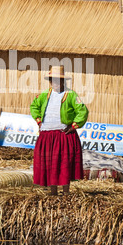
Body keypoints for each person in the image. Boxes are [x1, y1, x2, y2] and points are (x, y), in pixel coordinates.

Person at [30, 65, 88, 195]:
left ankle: (66, 192)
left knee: (63, 163)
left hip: (63, 134)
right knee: (50, 164)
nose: (55, 83)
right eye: (52, 80)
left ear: (63, 81)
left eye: (58, 80)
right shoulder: (44, 95)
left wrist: (74, 126)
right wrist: (39, 121)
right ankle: (53, 192)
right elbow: (34, 106)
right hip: (47, 134)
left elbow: (82, 111)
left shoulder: (71, 95)